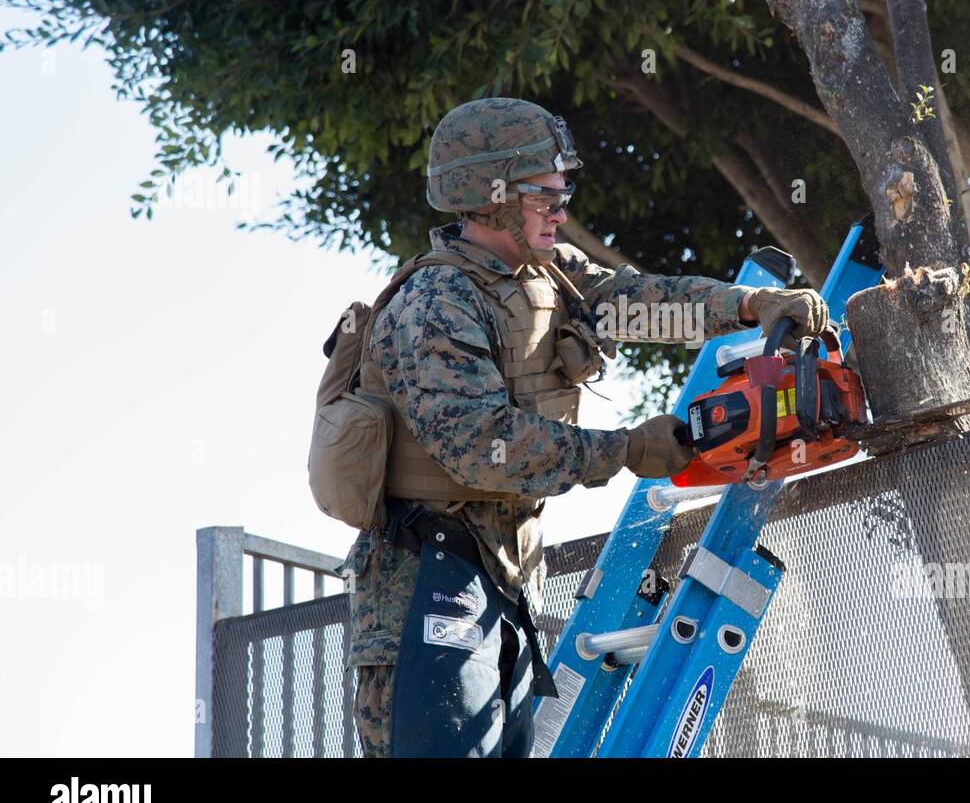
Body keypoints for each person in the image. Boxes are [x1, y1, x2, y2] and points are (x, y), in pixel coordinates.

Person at [342, 97, 829, 757]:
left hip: (500, 576)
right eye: (545, 193)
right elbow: (484, 448)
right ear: (492, 196)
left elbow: (635, 304)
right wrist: (625, 450)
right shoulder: (435, 303)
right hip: (425, 579)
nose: (560, 210)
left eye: (561, 191)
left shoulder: (545, 276)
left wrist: (747, 305)